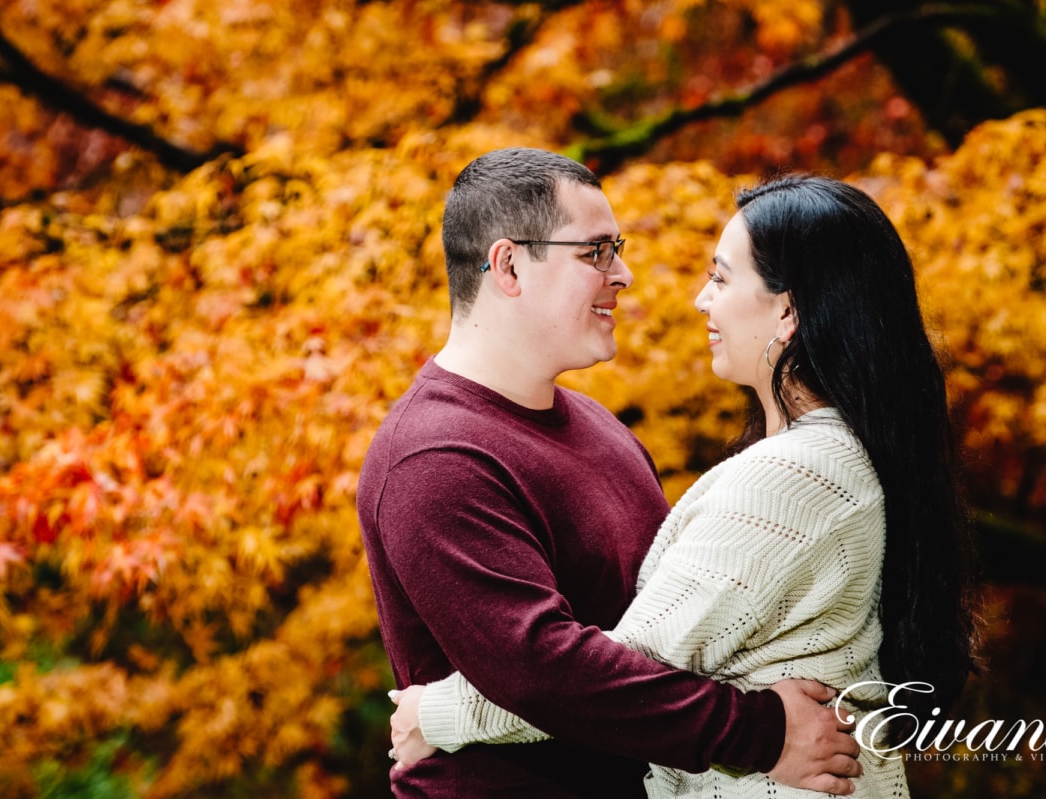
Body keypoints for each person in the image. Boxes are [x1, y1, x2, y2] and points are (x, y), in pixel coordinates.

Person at [386, 174, 980, 797]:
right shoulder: (435, 456)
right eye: (596, 252)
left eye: (722, 278)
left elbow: (641, 655)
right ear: (508, 265)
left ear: (788, 310)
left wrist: (435, 714)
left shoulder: (788, 477)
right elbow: (564, 665)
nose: (697, 298)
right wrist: (760, 731)